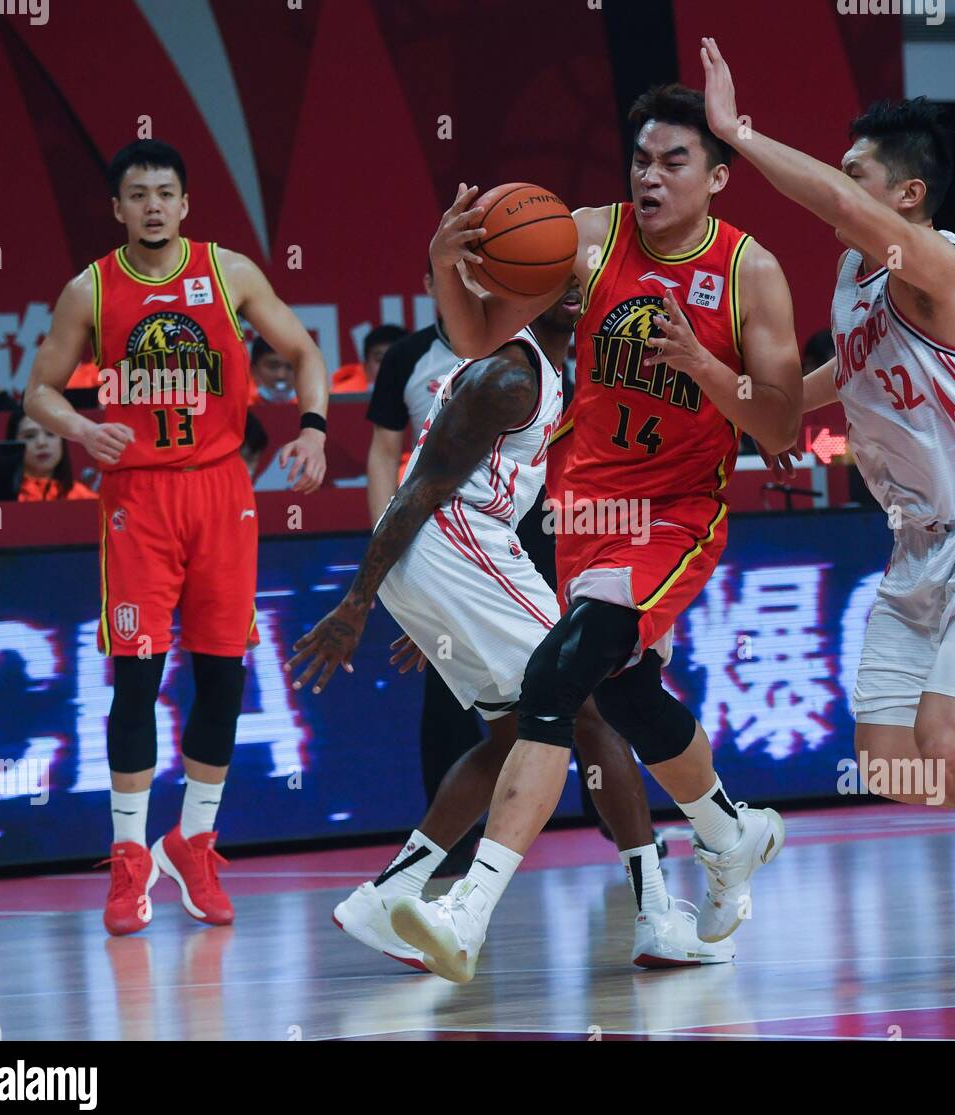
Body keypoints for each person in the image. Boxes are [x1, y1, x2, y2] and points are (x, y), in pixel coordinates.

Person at [698, 38, 955, 991]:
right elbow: (783, 407)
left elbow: (839, 206)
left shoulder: (944, 272)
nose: (841, 185)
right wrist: (696, 366)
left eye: (857, 172)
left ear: (907, 197)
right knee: (896, 767)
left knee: (949, 741)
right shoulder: (856, 291)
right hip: (918, 550)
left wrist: (737, 134)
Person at [373, 82, 802, 984]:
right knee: (630, 692)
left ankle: (469, 906)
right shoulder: (587, 236)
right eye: (640, 160)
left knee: (556, 676)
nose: (650, 176)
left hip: (677, 511)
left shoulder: (751, 273)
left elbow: (782, 429)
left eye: (673, 162)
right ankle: (730, 830)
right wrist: (447, 261)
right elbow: (477, 330)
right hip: (583, 510)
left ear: (717, 177)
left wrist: (701, 367)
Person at [288, 284, 730, 970]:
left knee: (510, 736)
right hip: (453, 543)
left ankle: (389, 893)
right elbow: (421, 488)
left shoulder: (546, 372)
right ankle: (655, 913)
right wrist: (360, 602)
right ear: (522, 281)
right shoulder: (511, 372)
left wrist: (438, 604)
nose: (579, 290)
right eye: (557, 278)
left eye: (586, 276)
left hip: (451, 558)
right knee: (593, 711)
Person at [24, 139, 329, 937]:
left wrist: (315, 429)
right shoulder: (89, 288)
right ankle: (129, 861)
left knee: (224, 675)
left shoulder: (228, 273)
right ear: (118, 208)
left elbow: (302, 350)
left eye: (166, 192)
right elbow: (39, 390)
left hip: (221, 488)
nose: (153, 205)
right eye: (138, 194)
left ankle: (192, 839)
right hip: (139, 498)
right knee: (136, 678)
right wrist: (82, 428)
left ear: (185, 204)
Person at [365, 263, 482, 875]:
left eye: (474, 276)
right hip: (442, 544)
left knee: (571, 686)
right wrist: (388, 541)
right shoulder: (407, 358)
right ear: (429, 285)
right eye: (448, 276)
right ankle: (449, 846)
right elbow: (384, 450)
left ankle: (624, 825)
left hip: (526, 536)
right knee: (450, 693)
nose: (462, 287)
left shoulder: (527, 348)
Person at [7, 409, 98, 500]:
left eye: (50, 434)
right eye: (30, 436)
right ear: (13, 443)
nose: (41, 443)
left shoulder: (83, 498)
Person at [331, 325, 404, 395]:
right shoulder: (341, 396)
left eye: (396, 361)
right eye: (380, 360)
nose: (388, 367)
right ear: (365, 365)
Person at [250, 336, 296, 402]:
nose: (281, 375)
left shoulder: (311, 406)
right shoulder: (242, 405)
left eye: (290, 367)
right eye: (273, 366)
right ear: (254, 371)